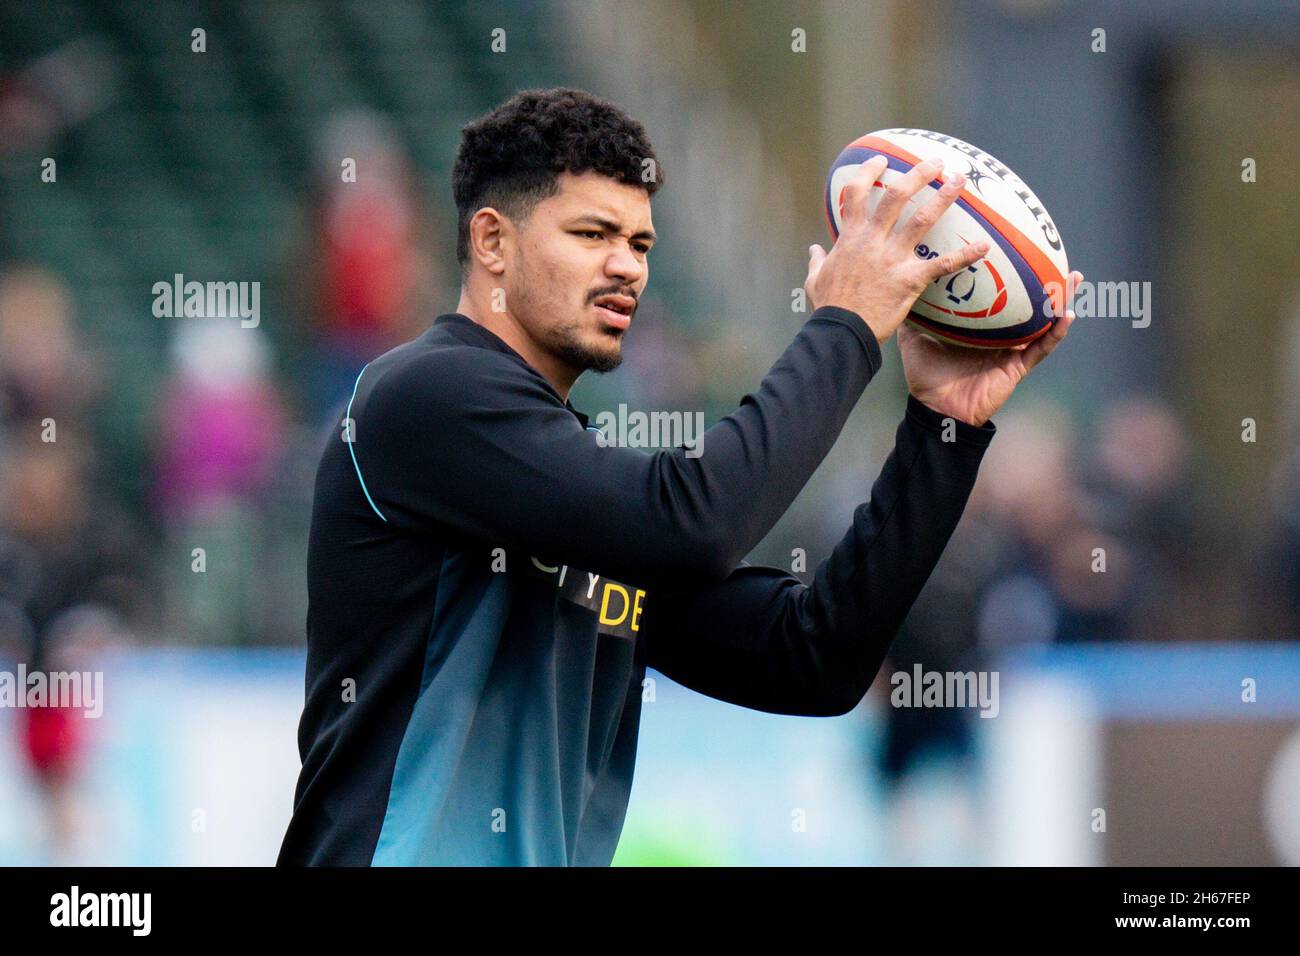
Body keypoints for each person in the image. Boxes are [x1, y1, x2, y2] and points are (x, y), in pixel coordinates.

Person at [278, 87, 1082, 866]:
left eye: (640, 244)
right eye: (592, 233)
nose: (626, 267)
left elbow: (815, 659)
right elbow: (691, 523)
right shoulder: (423, 395)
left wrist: (943, 428)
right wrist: (844, 327)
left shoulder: (574, 485)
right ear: (492, 242)